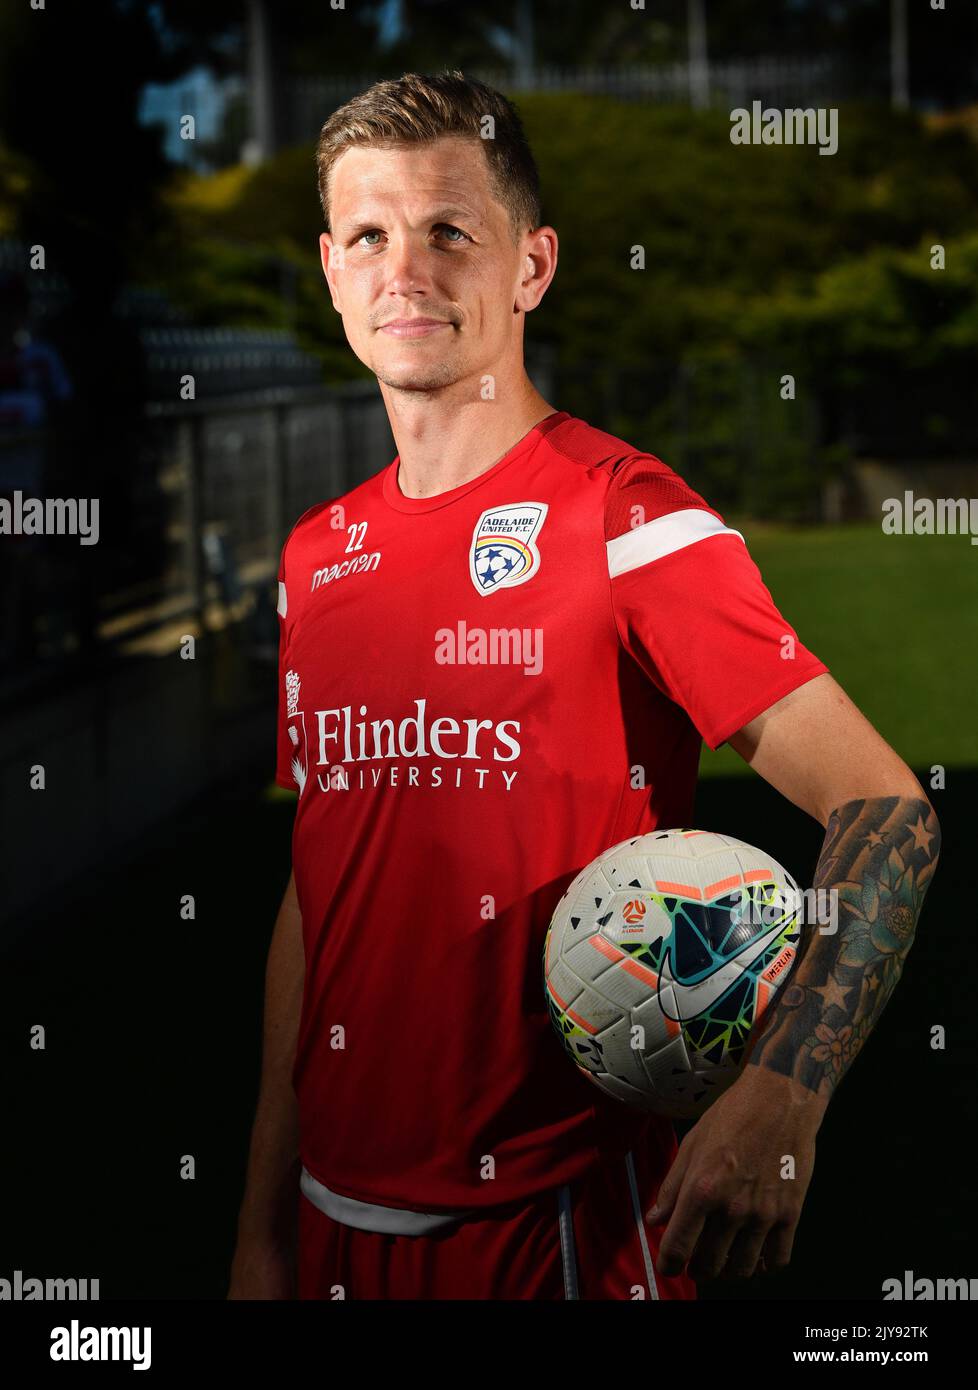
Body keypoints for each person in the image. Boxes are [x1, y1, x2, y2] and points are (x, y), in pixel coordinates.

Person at [228, 70, 940, 1301]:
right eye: (369, 236)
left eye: (452, 231)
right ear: (334, 272)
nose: (407, 270)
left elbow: (888, 810)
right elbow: (318, 888)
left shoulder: (627, 516)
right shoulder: (313, 558)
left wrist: (785, 1086)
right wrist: (263, 1228)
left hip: (560, 1227)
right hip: (332, 1219)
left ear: (531, 267)